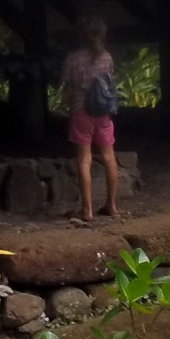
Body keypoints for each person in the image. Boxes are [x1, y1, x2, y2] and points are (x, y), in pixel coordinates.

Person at [61, 15, 119, 220]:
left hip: (81, 112)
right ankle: (111, 206)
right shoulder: (107, 57)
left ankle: (87, 210)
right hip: (103, 113)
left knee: (84, 160)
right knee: (109, 158)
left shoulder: (73, 59)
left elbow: (64, 85)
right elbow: (109, 82)